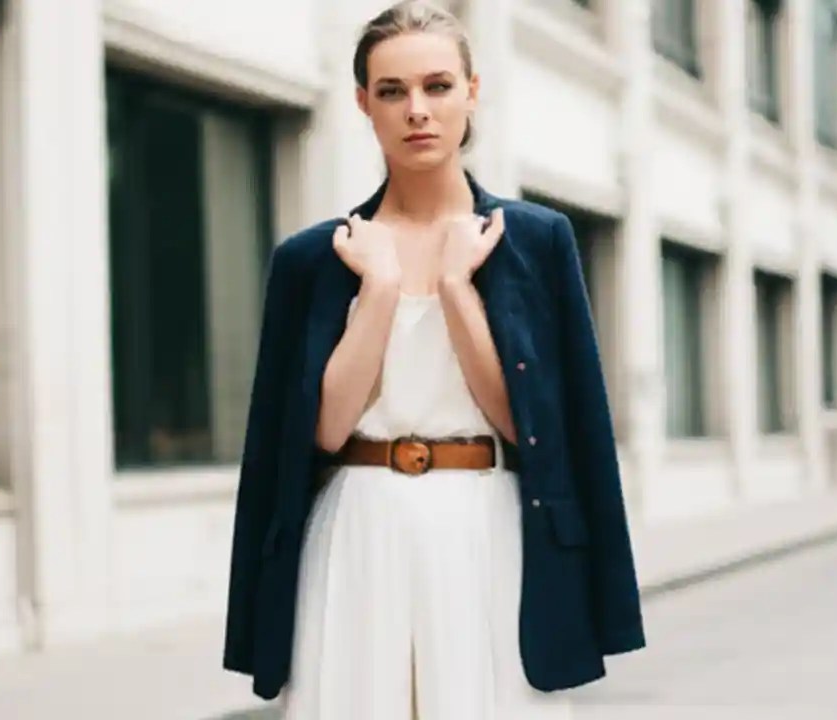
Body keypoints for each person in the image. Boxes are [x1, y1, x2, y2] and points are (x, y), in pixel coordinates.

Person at [222, 1, 646, 717]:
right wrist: (381, 288)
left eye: (438, 86)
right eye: (392, 91)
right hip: (357, 532)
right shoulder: (313, 260)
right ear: (363, 103)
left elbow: (531, 427)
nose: (416, 109)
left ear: (472, 91)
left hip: (485, 528)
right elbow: (321, 432)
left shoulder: (537, 241)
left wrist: (456, 287)